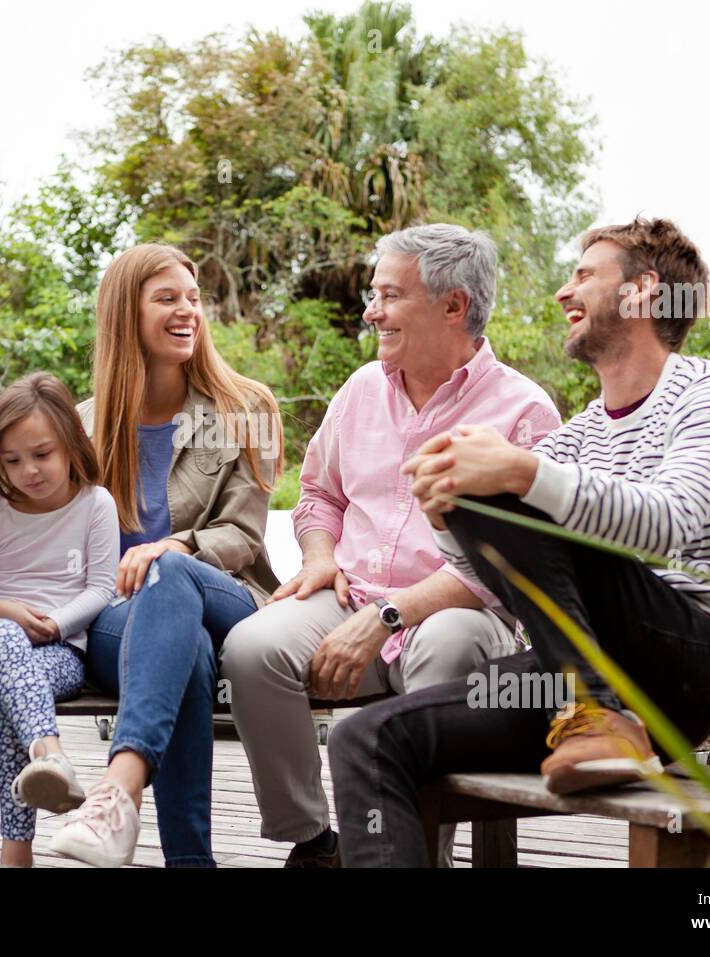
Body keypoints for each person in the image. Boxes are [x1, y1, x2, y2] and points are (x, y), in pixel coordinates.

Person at [329, 217, 710, 867]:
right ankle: (591, 709)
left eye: (583, 276)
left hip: (698, 660)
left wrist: (517, 473)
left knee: (498, 481)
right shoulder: (580, 435)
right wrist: (444, 514)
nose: (562, 294)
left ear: (641, 292)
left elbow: (668, 524)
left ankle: (595, 710)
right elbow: (503, 576)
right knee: (365, 737)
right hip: (588, 669)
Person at [221, 223, 562, 867]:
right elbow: (320, 493)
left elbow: (514, 561)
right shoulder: (359, 390)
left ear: (453, 306)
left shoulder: (524, 412)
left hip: (455, 611)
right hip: (349, 598)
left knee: (450, 642)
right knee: (251, 649)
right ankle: (313, 842)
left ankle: (415, 851)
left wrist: (390, 616)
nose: (371, 311)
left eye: (389, 295)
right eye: (373, 295)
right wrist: (320, 557)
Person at [49, 243, 283, 868]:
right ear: (126, 314)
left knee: (172, 574)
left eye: (193, 298)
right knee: (192, 658)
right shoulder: (82, 427)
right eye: (167, 299)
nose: (187, 312)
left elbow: (244, 536)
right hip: (120, 620)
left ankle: (117, 790)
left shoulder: (244, 408)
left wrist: (174, 544)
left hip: (221, 594)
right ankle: (190, 862)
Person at [0, 372, 119, 867]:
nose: (29, 470)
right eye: (13, 460)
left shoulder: (95, 504)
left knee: (14, 696)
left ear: (70, 442)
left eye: (42, 454)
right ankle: (50, 755)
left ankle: (15, 851)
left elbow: (101, 588)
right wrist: (6, 612)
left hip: (62, 654)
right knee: (5, 641)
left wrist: (57, 624)